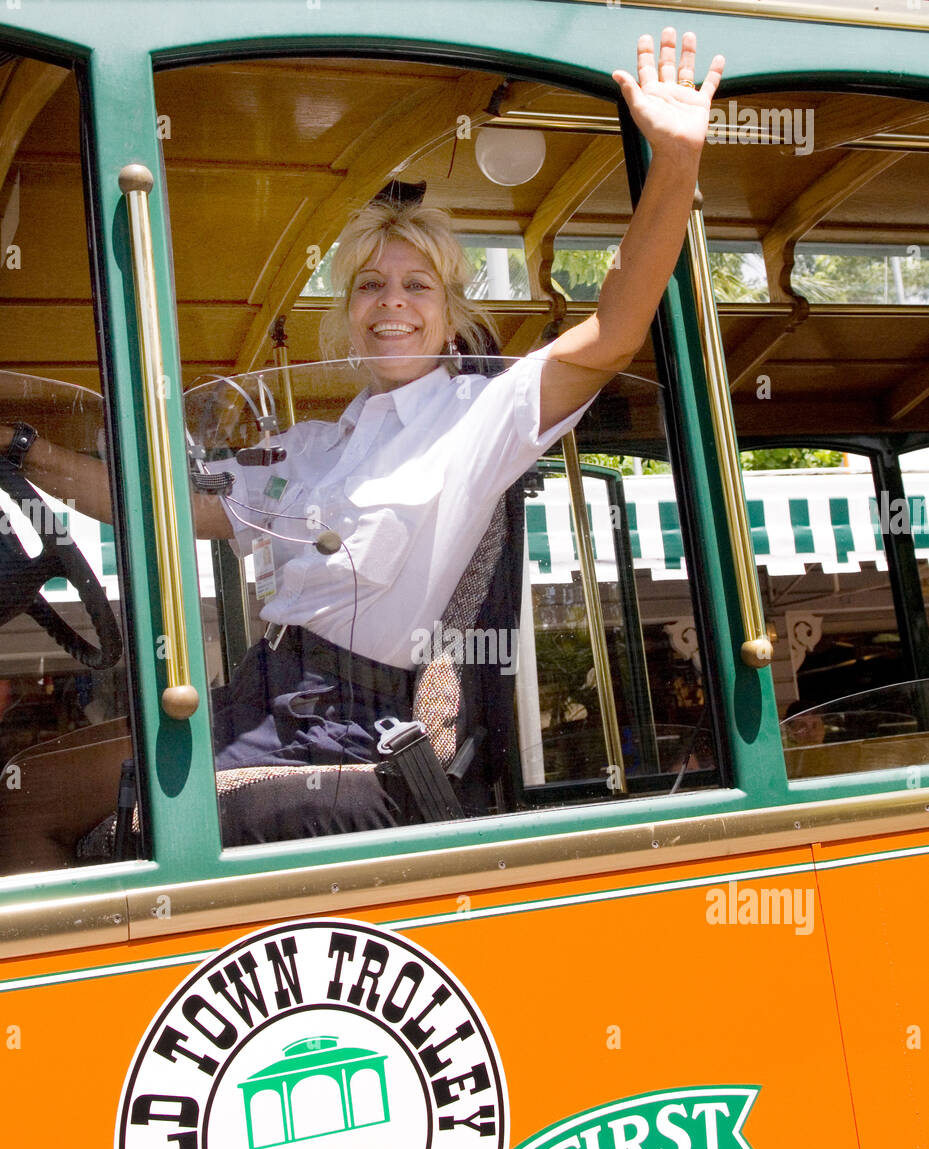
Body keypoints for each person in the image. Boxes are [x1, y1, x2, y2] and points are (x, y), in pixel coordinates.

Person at [1, 30, 725, 832]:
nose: (392, 302)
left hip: (351, 732)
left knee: (62, 812)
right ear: (347, 317)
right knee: (27, 782)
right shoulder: (309, 448)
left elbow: (616, 331)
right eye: (371, 285)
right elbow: (163, 505)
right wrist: (26, 451)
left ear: (450, 319)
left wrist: (673, 162)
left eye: (417, 286)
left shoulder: (479, 417)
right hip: (261, 696)